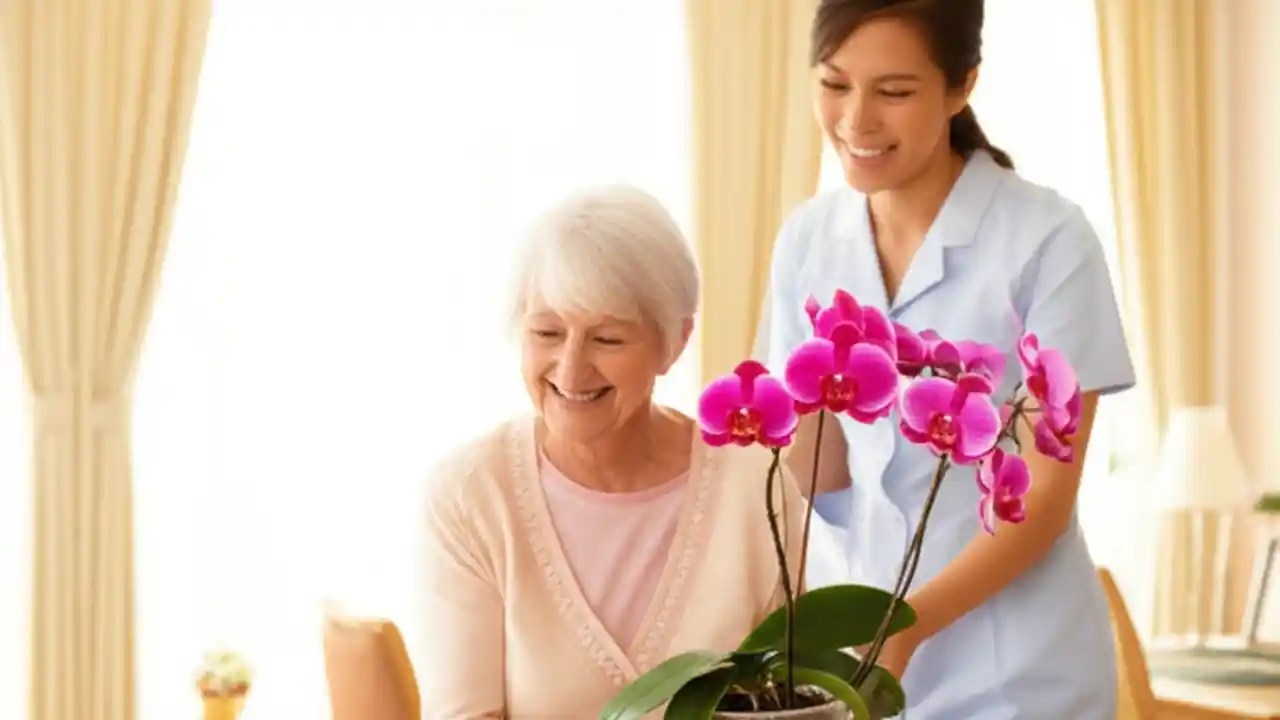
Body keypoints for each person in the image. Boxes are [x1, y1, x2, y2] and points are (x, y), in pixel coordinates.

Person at [764, 1, 1136, 718]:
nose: (856, 120)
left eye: (894, 91)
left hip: (1018, 676)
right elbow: (815, 468)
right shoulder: (807, 240)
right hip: (858, 657)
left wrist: (903, 628)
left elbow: (1044, 498)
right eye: (834, 84)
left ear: (962, 85)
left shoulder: (1047, 239)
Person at [419, 185, 806, 718]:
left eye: (608, 339)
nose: (571, 370)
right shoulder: (471, 495)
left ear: (675, 342)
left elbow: (796, 695)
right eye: (547, 332)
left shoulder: (756, 489)